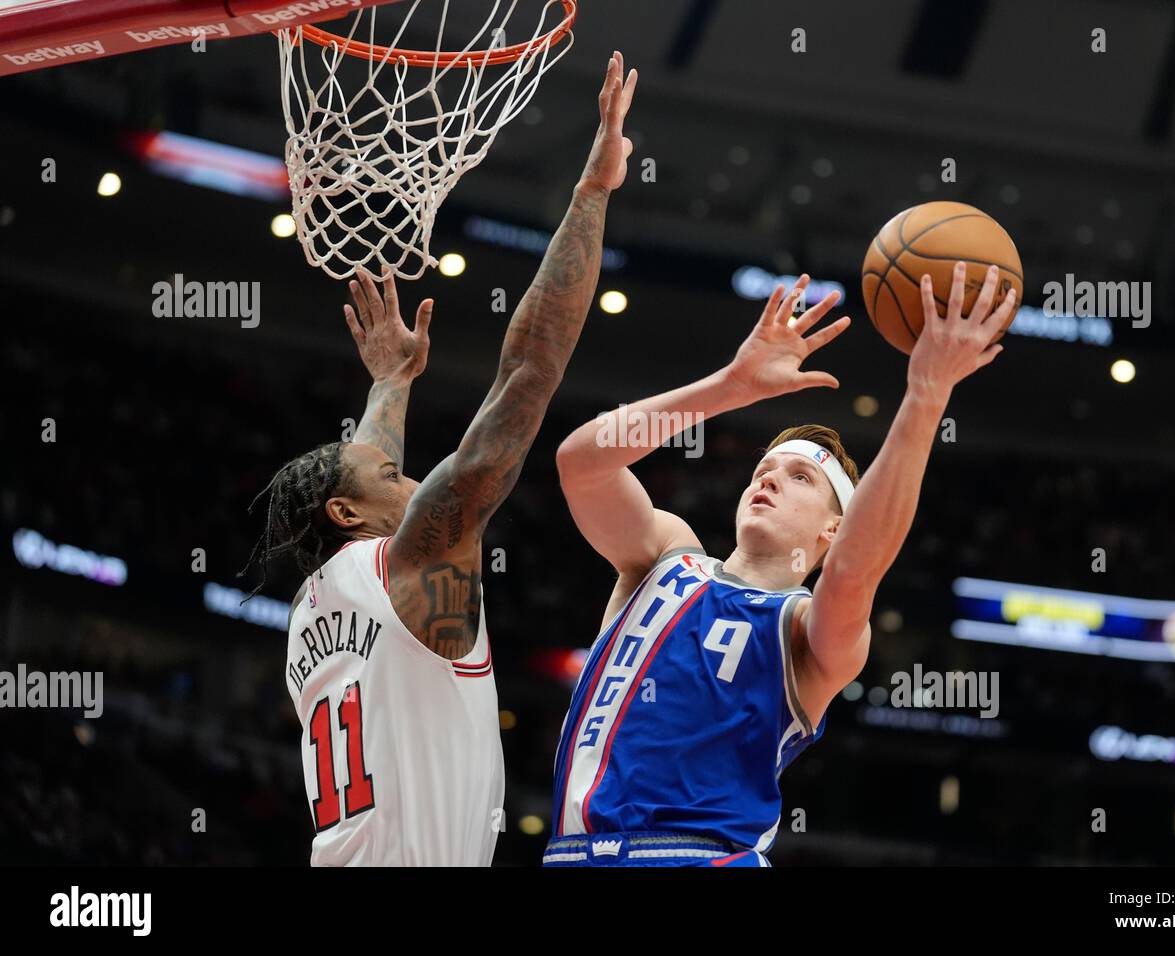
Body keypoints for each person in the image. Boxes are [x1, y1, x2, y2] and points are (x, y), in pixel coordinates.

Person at [240, 52, 639, 865]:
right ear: (348, 514)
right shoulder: (417, 558)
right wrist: (591, 196)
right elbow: (528, 372)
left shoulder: (318, 604)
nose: (411, 474)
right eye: (395, 475)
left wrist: (391, 381)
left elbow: (363, 467)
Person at [546, 262, 1016, 866]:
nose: (768, 480)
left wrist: (926, 395)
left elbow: (854, 571)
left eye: (799, 478)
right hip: (573, 855)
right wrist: (731, 387)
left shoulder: (808, 631)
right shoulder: (665, 555)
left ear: (833, 526)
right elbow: (581, 465)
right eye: (763, 471)